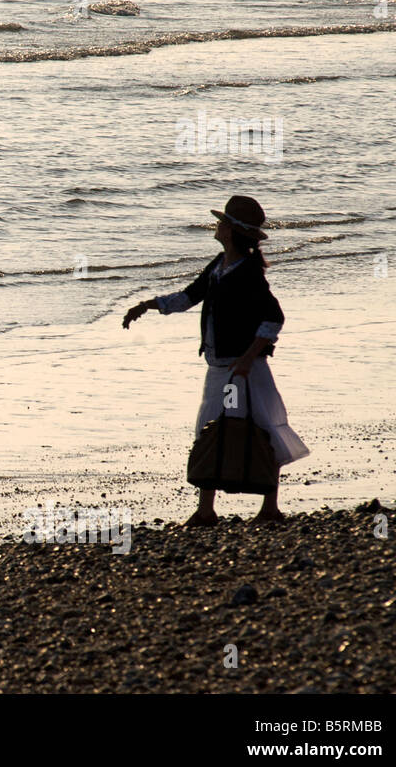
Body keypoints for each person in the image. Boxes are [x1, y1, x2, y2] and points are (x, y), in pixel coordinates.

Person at [122, 195, 309, 526]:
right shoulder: (219, 266)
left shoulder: (248, 273)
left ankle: (269, 508)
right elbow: (188, 296)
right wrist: (146, 305)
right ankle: (206, 510)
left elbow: (273, 319)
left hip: (244, 372)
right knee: (210, 431)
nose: (217, 225)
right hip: (219, 367)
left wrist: (249, 359)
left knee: (261, 431)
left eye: (222, 222)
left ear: (233, 231)